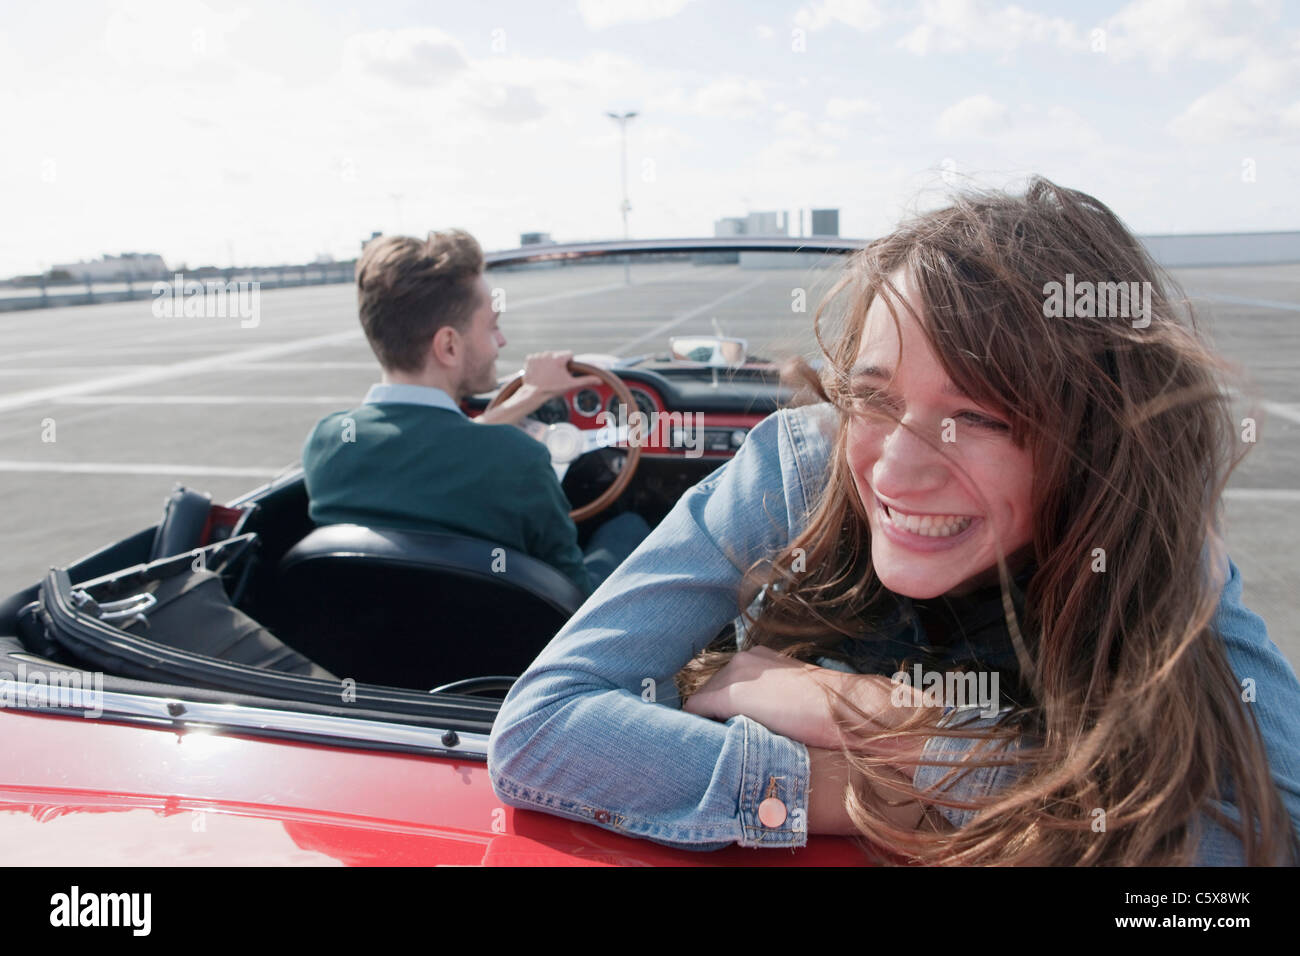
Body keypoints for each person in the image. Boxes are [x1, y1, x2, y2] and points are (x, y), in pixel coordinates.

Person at [488, 178, 1300, 865]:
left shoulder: (1149, 527)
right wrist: (988, 786)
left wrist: (875, 720)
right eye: (873, 398)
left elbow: (1273, 828)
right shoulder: (799, 465)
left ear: (1096, 440)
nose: (895, 470)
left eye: (979, 416)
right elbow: (543, 730)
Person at [301, 229, 650, 596]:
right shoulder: (518, 459)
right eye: (493, 326)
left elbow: (431, 445)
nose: (502, 341)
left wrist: (533, 394)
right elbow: (573, 601)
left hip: (370, 641)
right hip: (522, 645)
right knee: (626, 526)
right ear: (449, 345)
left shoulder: (327, 443)